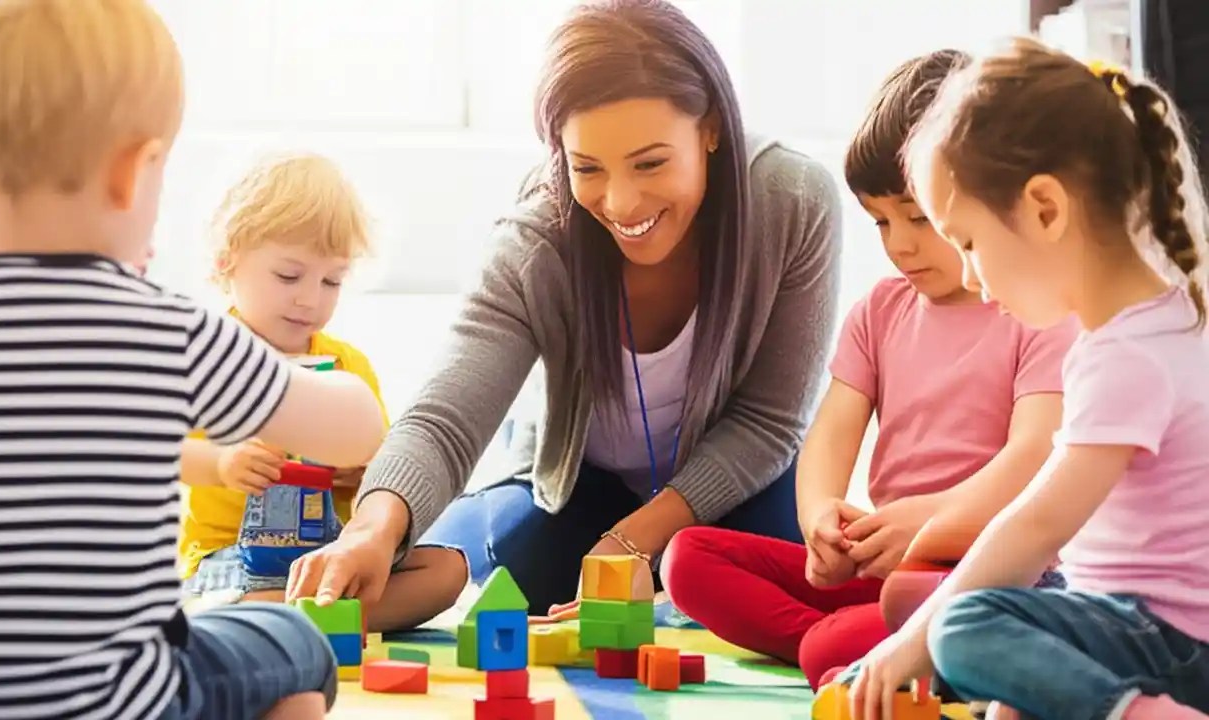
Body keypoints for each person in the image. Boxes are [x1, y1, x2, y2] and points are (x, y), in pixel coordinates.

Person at [285, 0, 843, 617]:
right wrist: (370, 528)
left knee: (776, 584)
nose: (621, 202)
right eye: (588, 168)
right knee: (502, 572)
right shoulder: (535, 242)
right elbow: (446, 416)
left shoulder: (791, 202)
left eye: (650, 162)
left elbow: (768, 422)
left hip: (738, 488)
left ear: (710, 128)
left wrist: (632, 541)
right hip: (579, 487)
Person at [0, 2, 386, 718]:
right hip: (130, 701)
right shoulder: (168, 332)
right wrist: (320, 386)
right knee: (295, 643)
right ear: (136, 171)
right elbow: (359, 431)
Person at [657, 49, 1076, 690]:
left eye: (919, 217)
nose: (899, 244)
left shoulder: (1037, 312)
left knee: (847, 637)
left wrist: (929, 522)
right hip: (888, 571)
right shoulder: (881, 310)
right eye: (881, 220)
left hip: (990, 578)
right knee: (688, 558)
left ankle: (855, 651)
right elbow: (829, 433)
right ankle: (863, 653)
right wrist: (821, 519)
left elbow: (1032, 463)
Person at [842, 38, 1209, 720]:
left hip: (1167, 643)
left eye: (970, 242)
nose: (971, 276)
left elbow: (1035, 526)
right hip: (1127, 622)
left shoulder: (1125, 356)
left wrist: (911, 644)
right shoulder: (1164, 322)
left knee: (960, 628)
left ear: (1045, 208)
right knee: (1004, 676)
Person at [177, 154, 400, 603]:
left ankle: (300, 612)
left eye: (332, 282)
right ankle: (311, 611)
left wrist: (359, 475)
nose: (310, 300)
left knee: (446, 569)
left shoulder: (346, 368)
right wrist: (221, 464)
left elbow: (388, 464)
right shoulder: (203, 354)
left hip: (328, 556)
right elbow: (155, 451)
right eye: (289, 275)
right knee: (242, 593)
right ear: (226, 262)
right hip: (228, 558)